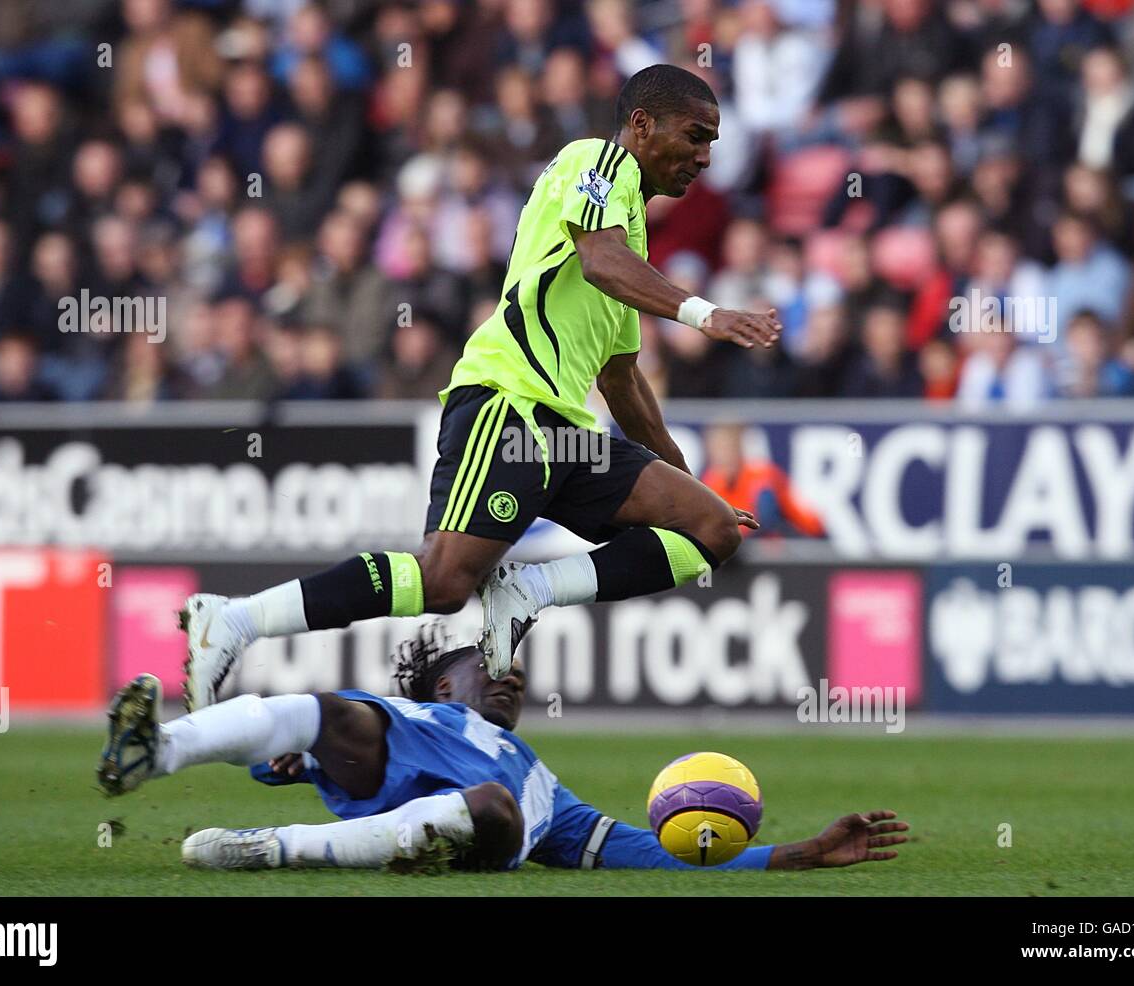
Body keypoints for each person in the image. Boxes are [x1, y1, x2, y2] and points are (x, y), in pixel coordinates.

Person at [179, 64, 782, 708]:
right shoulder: (597, 163)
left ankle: (530, 591)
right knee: (443, 581)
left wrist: (686, 482)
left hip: (567, 437)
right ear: (642, 124)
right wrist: (705, 313)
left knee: (710, 529)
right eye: (695, 136)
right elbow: (600, 262)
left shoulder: (629, 236)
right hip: (507, 403)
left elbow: (622, 380)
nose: (705, 157)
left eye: (712, 142)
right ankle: (234, 621)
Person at [97, 624, 908, 873]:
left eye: (513, 669)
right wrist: (284, 761)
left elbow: (658, 857)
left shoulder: (547, 788)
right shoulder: (409, 715)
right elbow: (279, 750)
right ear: (442, 686)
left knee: (489, 807)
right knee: (322, 709)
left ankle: (273, 854)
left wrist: (800, 855)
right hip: (385, 771)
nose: (507, 675)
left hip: (481, 825)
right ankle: (155, 749)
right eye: (486, 667)